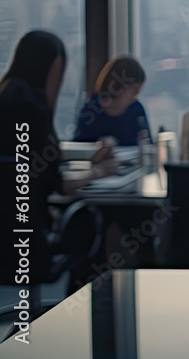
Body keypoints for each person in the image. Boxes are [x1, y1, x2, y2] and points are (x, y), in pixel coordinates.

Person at [0, 31, 117, 279]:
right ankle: (84, 309)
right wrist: (99, 171)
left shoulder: (7, 96)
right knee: (90, 220)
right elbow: (59, 184)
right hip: (28, 245)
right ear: (52, 68)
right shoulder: (31, 107)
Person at [74, 56, 150, 146]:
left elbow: (147, 146)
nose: (136, 95)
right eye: (134, 88)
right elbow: (79, 149)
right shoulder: (91, 110)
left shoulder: (137, 110)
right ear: (117, 85)